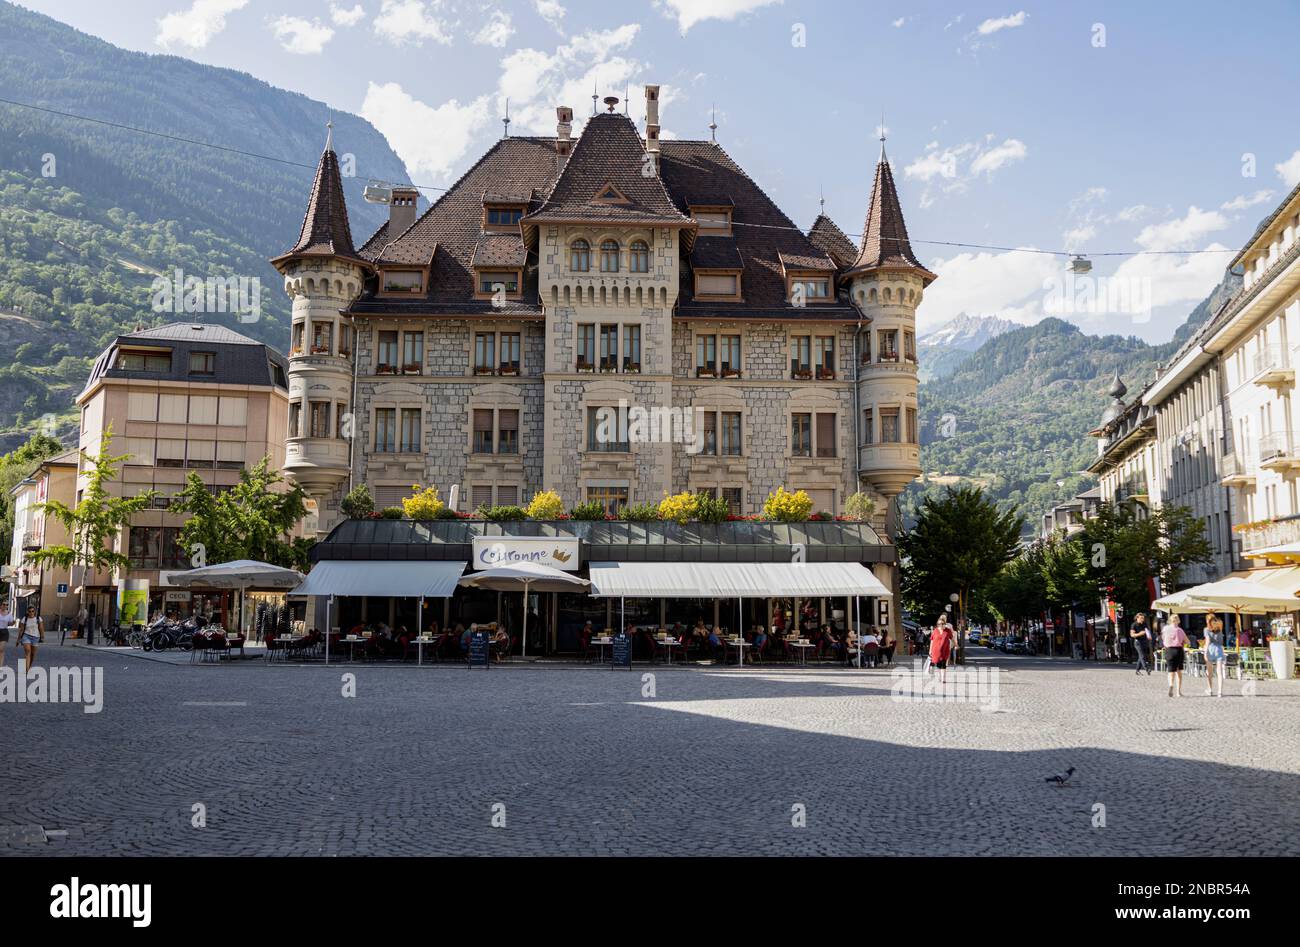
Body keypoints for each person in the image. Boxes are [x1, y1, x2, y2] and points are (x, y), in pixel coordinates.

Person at [1161, 614, 1189, 698]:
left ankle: (1171, 684)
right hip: (1178, 650)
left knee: (1170, 671)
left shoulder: (1165, 629)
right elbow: (1187, 641)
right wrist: (1184, 642)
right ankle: (1178, 692)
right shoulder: (1180, 630)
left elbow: (1163, 639)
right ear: (1178, 621)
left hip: (1169, 651)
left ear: (1170, 620)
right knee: (1178, 671)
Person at [1203, 615, 1227, 698]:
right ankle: (1220, 692)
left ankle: (1210, 690)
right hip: (1219, 649)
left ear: (1207, 621)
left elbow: (1207, 641)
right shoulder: (1219, 628)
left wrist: (1205, 652)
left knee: (1209, 673)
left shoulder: (1206, 629)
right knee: (1219, 672)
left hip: (1210, 650)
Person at [929, 615, 956, 684]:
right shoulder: (935, 631)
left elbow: (952, 639)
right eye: (939, 624)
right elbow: (932, 641)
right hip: (936, 651)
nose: (940, 625)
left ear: (944, 624)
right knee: (938, 665)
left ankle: (943, 679)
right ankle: (940, 677)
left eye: (942, 624)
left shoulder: (948, 631)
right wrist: (930, 650)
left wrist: (956, 645)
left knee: (943, 665)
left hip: (945, 651)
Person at [18, 605, 42, 672]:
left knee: (33, 654)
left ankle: (29, 666)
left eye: (32, 611)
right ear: (27, 612)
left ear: (35, 612)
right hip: (26, 636)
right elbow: (21, 630)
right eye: (30, 611)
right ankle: (27, 669)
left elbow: (41, 628)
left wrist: (42, 637)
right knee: (28, 651)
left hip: (36, 637)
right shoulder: (24, 619)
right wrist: (18, 639)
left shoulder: (38, 618)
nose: (31, 613)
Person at [0, 601, 13, 666]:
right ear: (1, 605)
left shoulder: (9, 614)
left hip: (4, 632)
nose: (5, 606)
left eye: (7, 605)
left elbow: (10, 623)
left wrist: (13, 622)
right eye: (4, 604)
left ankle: (0, 666)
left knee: (1, 649)